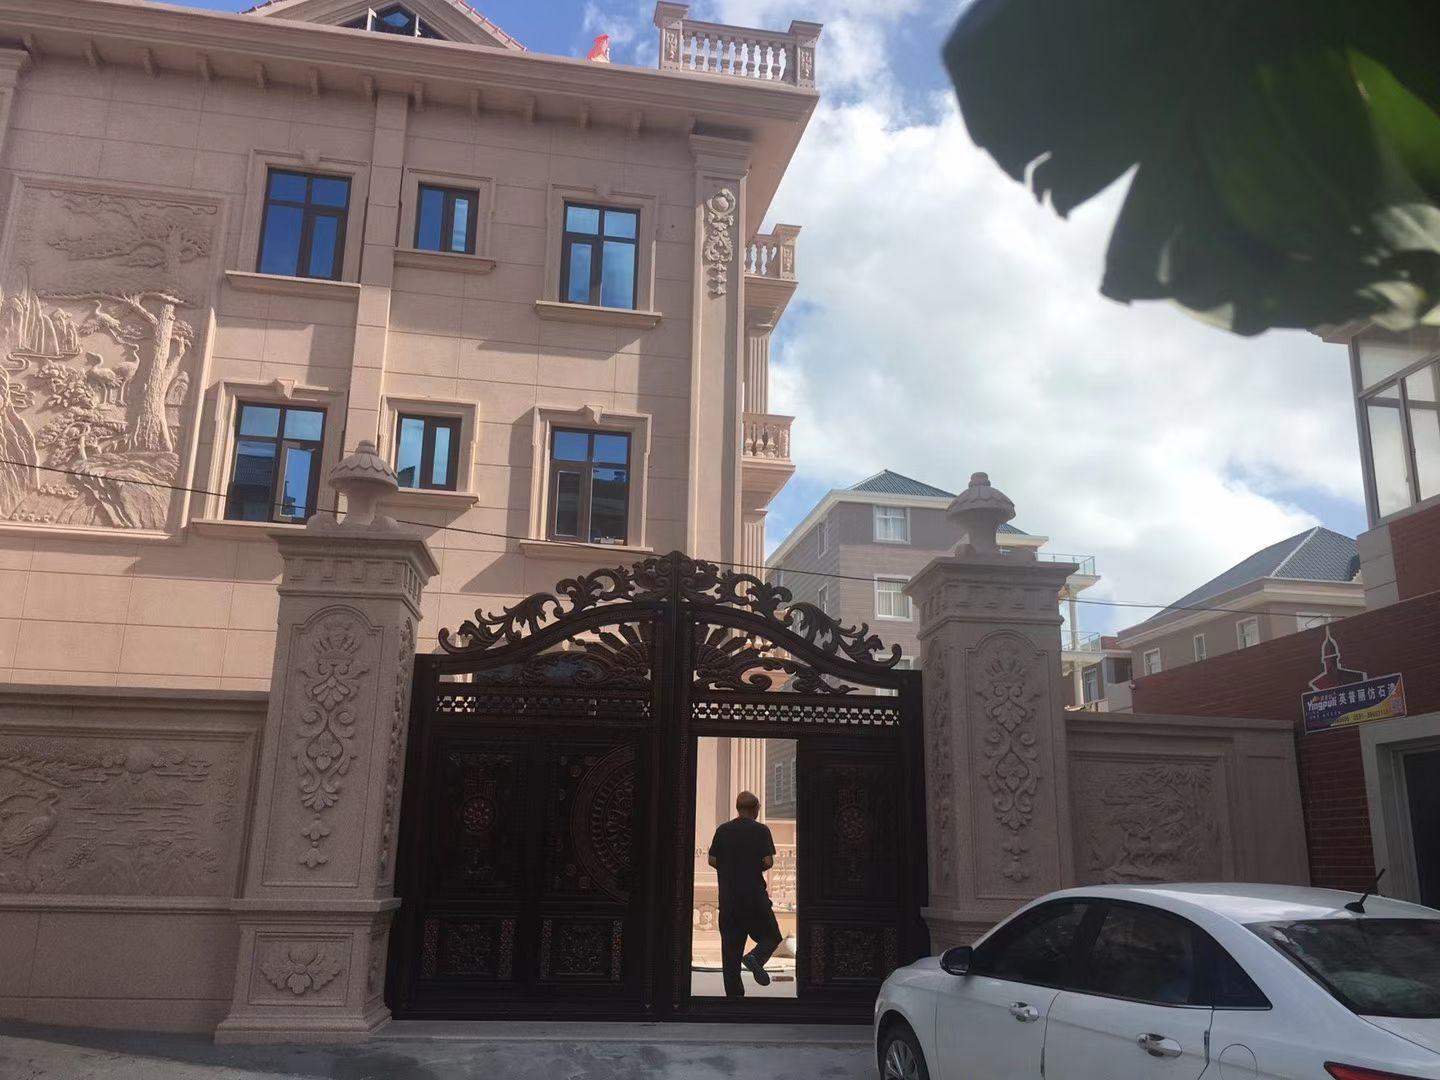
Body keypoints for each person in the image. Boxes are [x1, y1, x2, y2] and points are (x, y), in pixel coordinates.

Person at [707, 790, 782, 997]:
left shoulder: (723, 830)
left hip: (729, 901)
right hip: (755, 898)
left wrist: (730, 869)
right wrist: (751, 868)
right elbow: (768, 861)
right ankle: (755, 957)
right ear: (756, 809)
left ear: (738, 808)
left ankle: (734, 1000)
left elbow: (712, 860)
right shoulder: (761, 830)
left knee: (730, 953)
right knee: (772, 935)